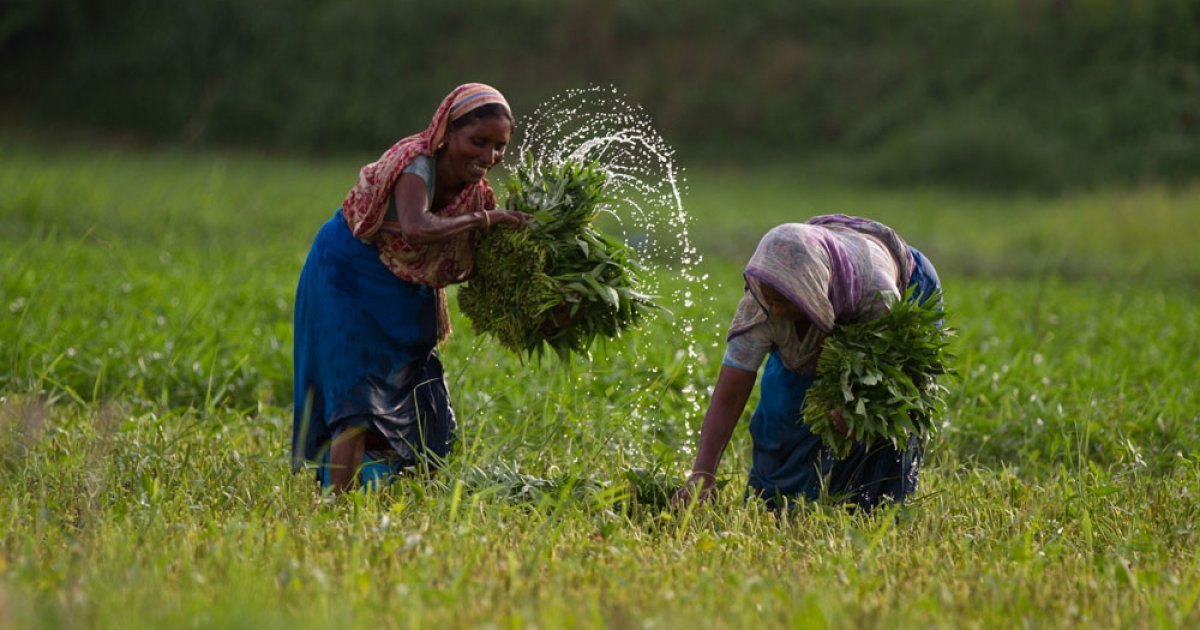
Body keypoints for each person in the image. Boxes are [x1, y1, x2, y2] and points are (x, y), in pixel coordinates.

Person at [291, 83, 531, 493]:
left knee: (424, 407)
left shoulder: (476, 194)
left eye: (499, 147)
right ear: (446, 133)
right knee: (357, 401)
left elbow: (477, 256)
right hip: (349, 275)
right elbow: (418, 227)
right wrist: (483, 221)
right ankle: (335, 507)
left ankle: (394, 492)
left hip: (404, 292)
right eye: (478, 142)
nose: (488, 157)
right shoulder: (415, 164)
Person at [672, 214, 942, 512]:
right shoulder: (760, 307)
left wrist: (855, 410)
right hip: (825, 264)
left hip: (900, 284)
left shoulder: (876, 294)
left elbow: (888, 380)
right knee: (780, 414)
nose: (775, 308)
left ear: (812, 292)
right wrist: (703, 473)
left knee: (874, 432)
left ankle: (869, 511)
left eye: (784, 301)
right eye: (770, 298)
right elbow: (729, 395)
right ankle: (773, 507)